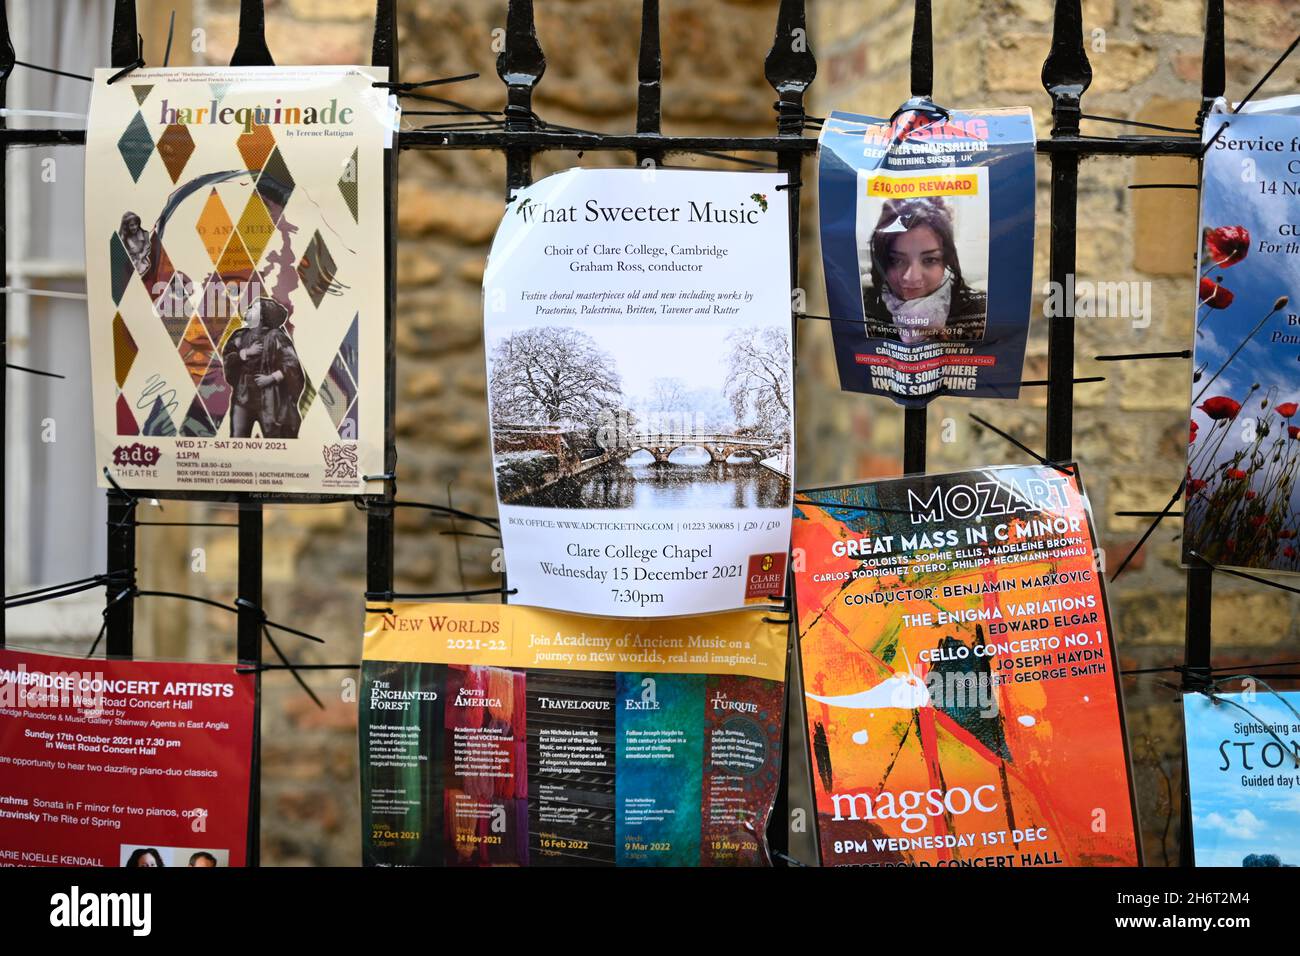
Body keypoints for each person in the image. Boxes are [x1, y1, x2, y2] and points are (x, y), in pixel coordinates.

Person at [861, 196, 987, 344]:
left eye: (929, 260)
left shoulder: (980, 312)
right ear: (882, 260)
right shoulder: (863, 307)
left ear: (946, 260)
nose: (911, 278)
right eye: (896, 260)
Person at [222, 296, 305, 439]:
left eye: (253, 307)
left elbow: (292, 365)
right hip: (242, 397)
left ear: (261, 316)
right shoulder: (239, 335)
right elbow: (228, 358)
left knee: (275, 438)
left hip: (270, 399)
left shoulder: (276, 336)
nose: (248, 309)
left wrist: (271, 378)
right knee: (238, 437)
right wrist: (246, 352)